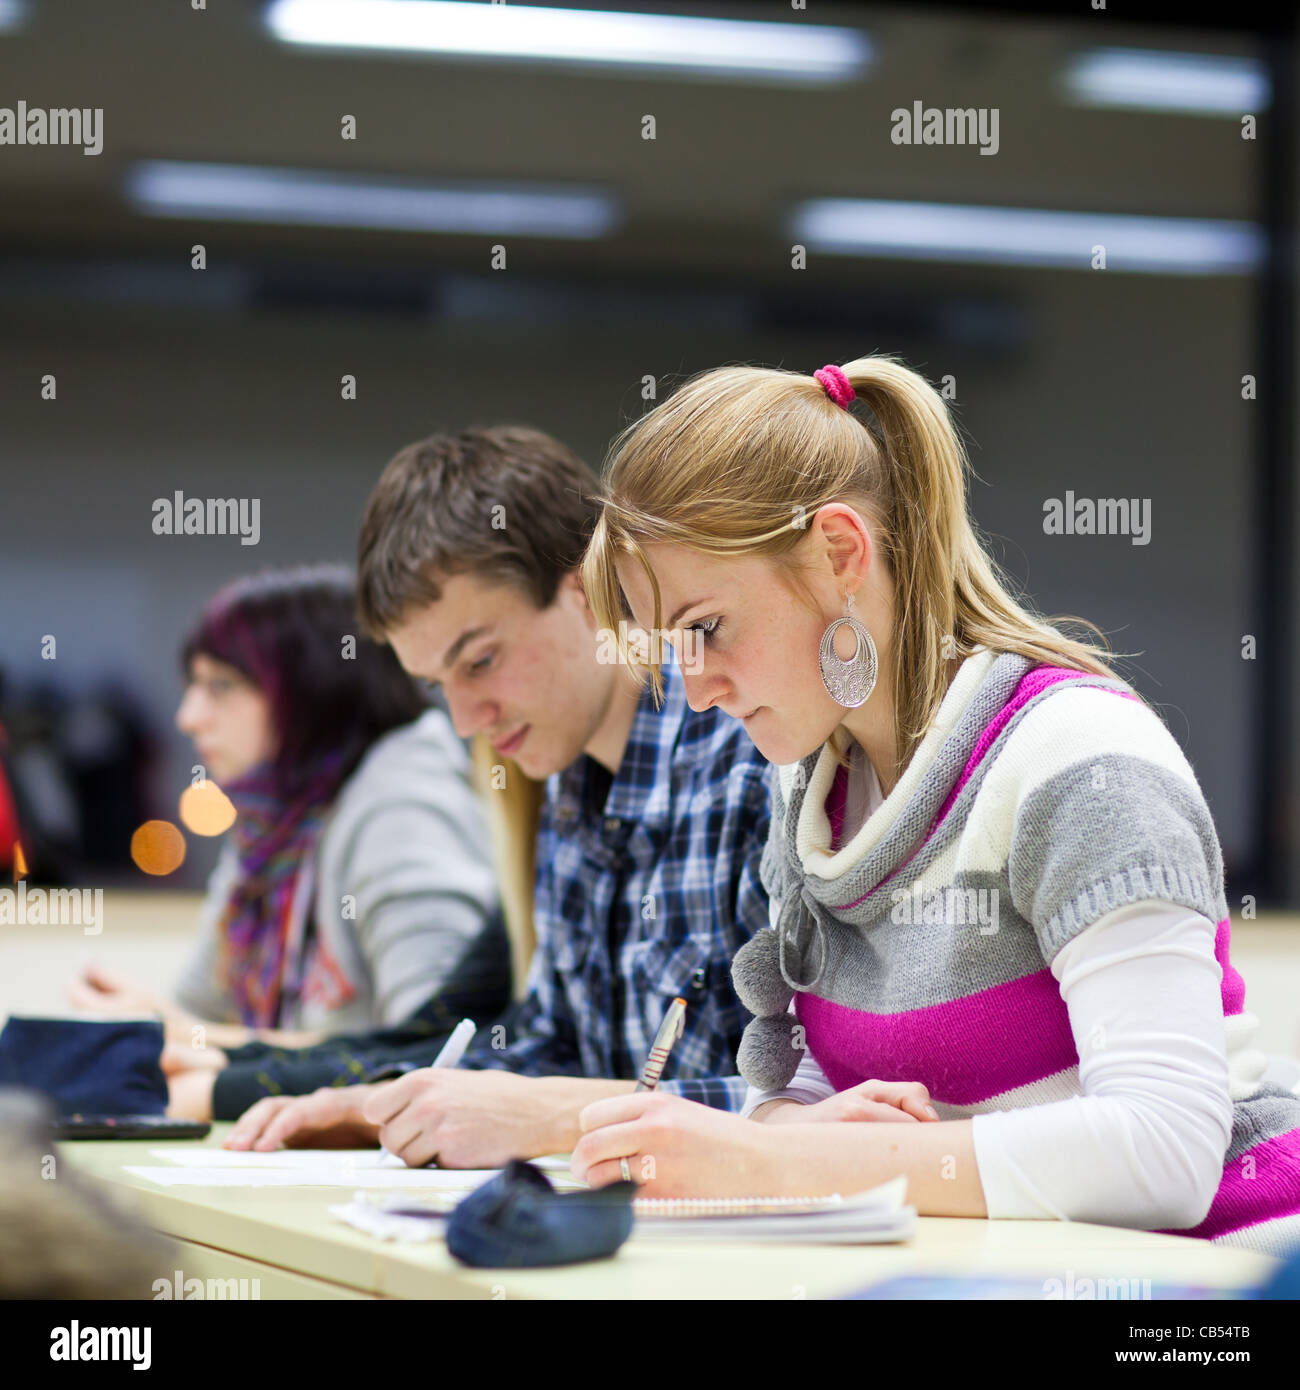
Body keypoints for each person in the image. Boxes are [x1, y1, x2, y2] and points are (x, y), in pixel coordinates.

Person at [571, 354, 1300, 1255]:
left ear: (840, 553)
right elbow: (803, 1095)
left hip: (1212, 1276)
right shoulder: (810, 784)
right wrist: (790, 1128)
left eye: (705, 629)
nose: (693, 692)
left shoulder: (1079, 760)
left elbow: (1166, 1153)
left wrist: (780, 1165)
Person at [210, 425, 784, 1159]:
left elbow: (814, 1105)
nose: (463, 719)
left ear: (587, 592)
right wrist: (381, 1099)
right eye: (436, 684)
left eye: (479, 660)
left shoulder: (750, 759)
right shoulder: (567, 784)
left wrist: (556, 1116)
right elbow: (551, 1047)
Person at [67, 565, 504, 1076]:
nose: (188, 716)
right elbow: (199, 1017)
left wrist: (177, 1032)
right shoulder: (272, 824)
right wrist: (156, 1024)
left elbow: (435, 1056)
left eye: (222, 686)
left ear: (314, 691)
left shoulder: (404, 804)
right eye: (194, 686)